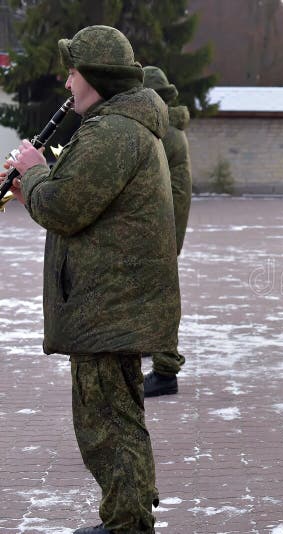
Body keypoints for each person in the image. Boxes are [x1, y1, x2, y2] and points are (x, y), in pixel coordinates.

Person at [3, 25, 179, 533]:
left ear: (95, 77)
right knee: (118, 417)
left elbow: (64, 206)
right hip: (114, 300)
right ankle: (131, 509)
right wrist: (30, 187)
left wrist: (33, 173)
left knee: (105, 425)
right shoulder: (116, 127)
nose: (66, 84)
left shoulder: (113, 132)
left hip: (109, 304)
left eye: (73, 73)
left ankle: (127, 521)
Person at [141, 65, 191, 398]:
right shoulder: (160, 129)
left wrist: (169, 239)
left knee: (161, 301)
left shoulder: (166, 133)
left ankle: (165, 369)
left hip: (161, 230)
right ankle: (154, 347)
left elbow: (179, 193)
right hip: (155, 228)